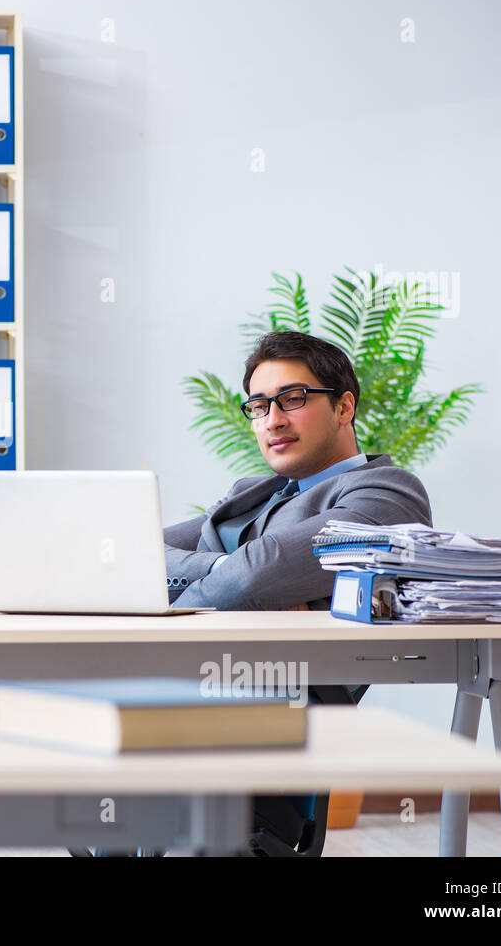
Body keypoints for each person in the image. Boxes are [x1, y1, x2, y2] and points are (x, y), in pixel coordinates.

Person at [163, 329, 433, 855]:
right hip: (193, 678)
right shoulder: (251, 493)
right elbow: (138, 553)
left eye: (293, 399)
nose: (273, 420)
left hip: (272, 695)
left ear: (343, 406)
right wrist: (224, 571)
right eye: (259, 406)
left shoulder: (386, 492)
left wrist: (239, 579)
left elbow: (250, 580)